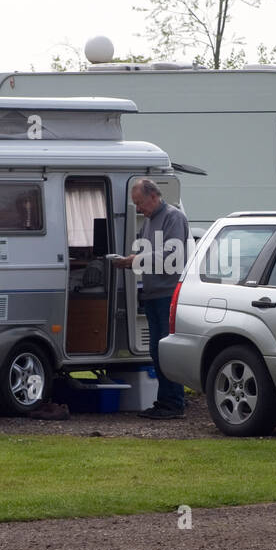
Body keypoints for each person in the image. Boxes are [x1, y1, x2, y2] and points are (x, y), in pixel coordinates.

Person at [113, 178, 189, 419]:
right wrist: (133, 260)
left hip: (167, 294)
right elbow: (152, 254)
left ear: (154, 197)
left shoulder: (173, 217)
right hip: (154, 294)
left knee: (165, 351)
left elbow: (171, 255)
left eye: (140, 203)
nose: (138, 208)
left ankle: (173, 403)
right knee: (157, 351)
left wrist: (134, 260)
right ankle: (166, 400)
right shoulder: (149, 221)